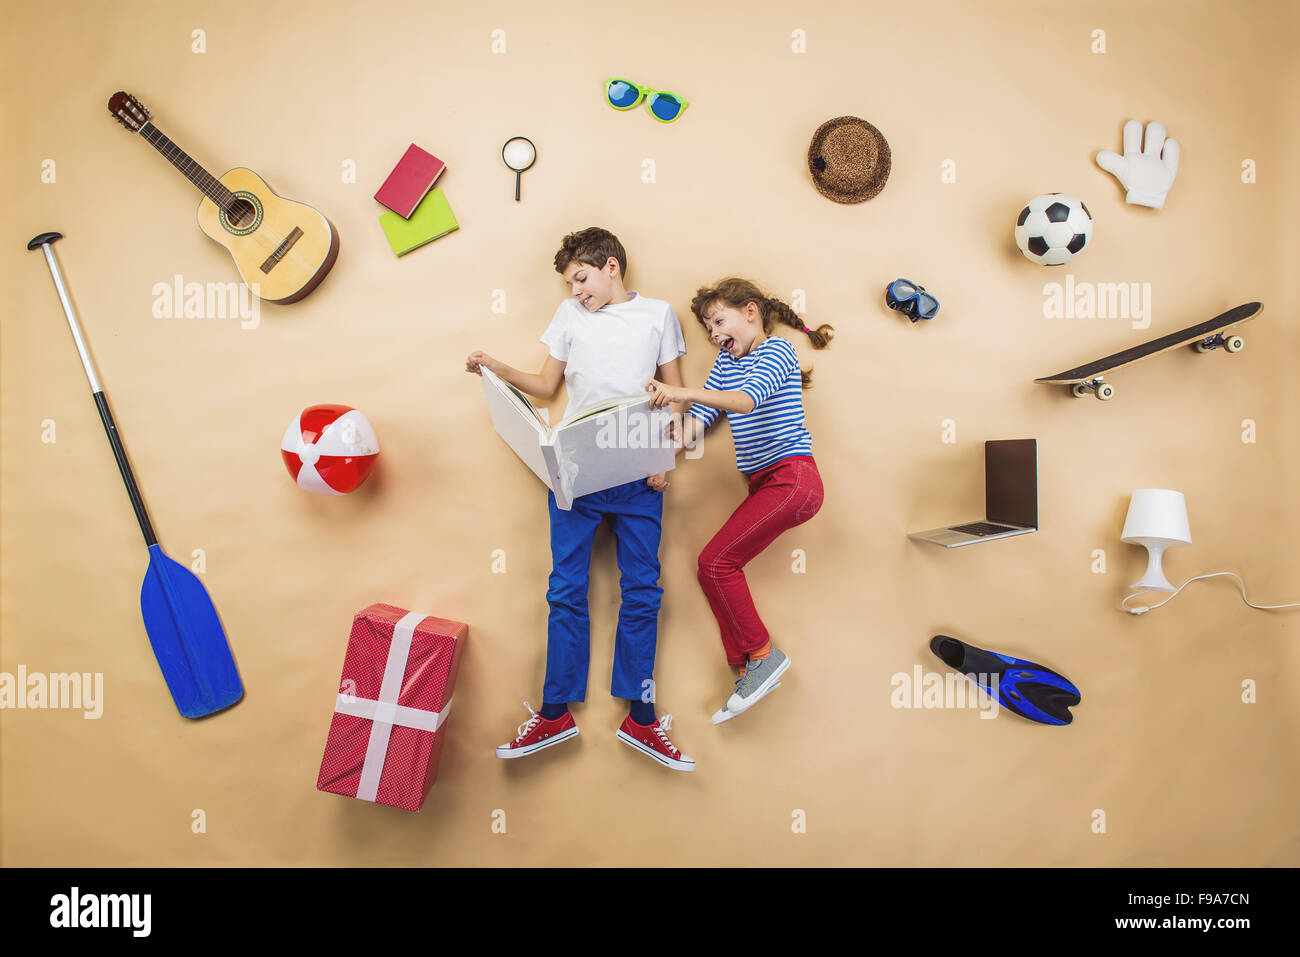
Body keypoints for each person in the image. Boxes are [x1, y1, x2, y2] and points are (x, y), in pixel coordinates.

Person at [466, 227, 696, 771]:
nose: (576, 292)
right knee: (565, 589)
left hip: (639, 469)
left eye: (582, 279)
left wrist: (665, 459)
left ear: (611, 267)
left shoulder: (659, 315)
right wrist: (495, 368)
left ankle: (641, 719)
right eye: (571, 283)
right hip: (577, 468)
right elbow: (547, 387)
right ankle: (554, 714)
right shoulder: (570, 318)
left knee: (643, 590)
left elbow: (678, 396)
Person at [646, 277, 831, 724]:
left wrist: (681, 391)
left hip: (794, 478)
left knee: (716, 564)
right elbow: (699, 422)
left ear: (751, 312)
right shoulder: (724, 367)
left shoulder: (777, 352)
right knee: (711, 566)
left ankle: (763, 656)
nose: (713, 334)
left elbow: (746, 402)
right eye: (708, 328)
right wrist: (658, 462)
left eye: (718, 320)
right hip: (765, 485)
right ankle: (752, 662)